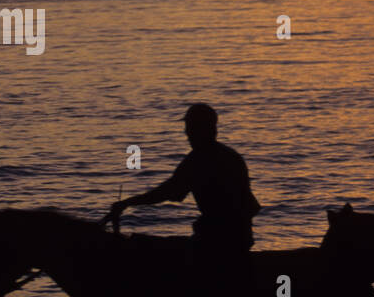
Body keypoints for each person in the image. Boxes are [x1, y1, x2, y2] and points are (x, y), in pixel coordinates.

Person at [105, 103, 261, 274]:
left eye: (189, 127)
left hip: (215, 245)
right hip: (240, 240)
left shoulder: (198, 160)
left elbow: (168, 191)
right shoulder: (231, 156)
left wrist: (126, 203)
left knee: (151, 250)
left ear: (201, 129)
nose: (186, 133)